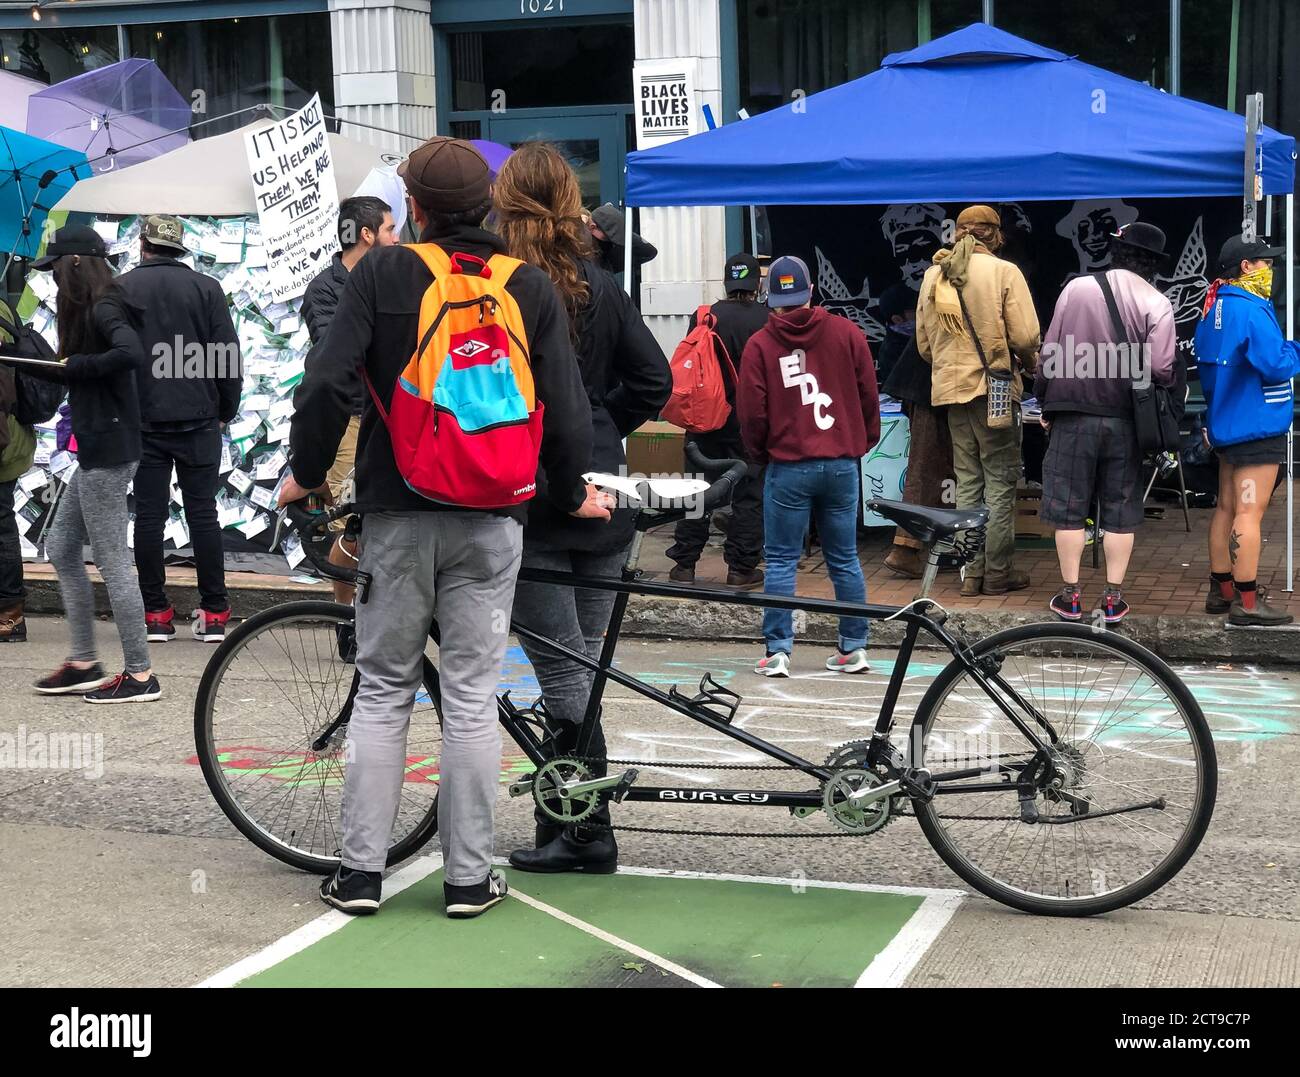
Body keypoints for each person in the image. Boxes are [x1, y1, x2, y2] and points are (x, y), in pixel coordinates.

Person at [281, 136, 600, 919]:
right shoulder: (525, 285)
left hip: (396, 512)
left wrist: (307, 470)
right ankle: (466, 878)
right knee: (470, 693)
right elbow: (565, 410)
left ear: (414, 209)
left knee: (386, 688)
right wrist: (566, 491)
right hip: (495, 517)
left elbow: (326, 381)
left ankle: (360, 876)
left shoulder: (383, 274)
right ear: (487, 206)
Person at [492, 143, 670, 876]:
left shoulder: (505, 287)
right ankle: (567, 816)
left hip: (534, 497)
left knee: (564, 675)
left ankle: (584, 830)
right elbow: (653, 379)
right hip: (603, 490)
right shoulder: (601, 285)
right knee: (582, 671)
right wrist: (602, 419)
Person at [19, 226, 161, 702]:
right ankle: (83, 661)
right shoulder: (96, 306)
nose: (54, 279)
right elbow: (79, 368)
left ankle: (140, 674)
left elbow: (130, 354)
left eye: (56, 269)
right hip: (100, 447)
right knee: (60, 547)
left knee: (113, 561)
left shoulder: (105, 306)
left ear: (75, 263)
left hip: (111, 449)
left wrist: (75, 367)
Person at [738, 254, 880, 677]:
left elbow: (751, 412)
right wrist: (862, 440)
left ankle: (778, 650)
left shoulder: (761, 344)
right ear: (811, 292)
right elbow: (868, 393)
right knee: (844, 558)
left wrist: (762, 453)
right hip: (840, 462)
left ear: (770, 299)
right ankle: (853, 647)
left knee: (781, 560)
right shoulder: (846, 332)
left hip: (789, 464)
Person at [1034, 223, 1177, 623]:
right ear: (1152, 263)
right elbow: (1163, 368)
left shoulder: (1076, 289)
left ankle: (1070, 596)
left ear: (1116, 252)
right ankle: (1113, 598)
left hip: (1073, 415)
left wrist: (1046, 399)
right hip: (1127, 421)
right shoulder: (1157, 302)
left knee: (1068, 507)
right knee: (1120, 508)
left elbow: (1051, 353)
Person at [114, 214, 241, 643]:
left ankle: (155, 614)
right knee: (203, 512)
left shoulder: (124, 288)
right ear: (179, 249)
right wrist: (227, 406)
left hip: (143, 419)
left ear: (144, 246)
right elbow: (226, 353)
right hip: (199, 416)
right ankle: (215, 611)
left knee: (148, 516)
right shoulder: (207, 288)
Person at [916, 204, 1040, 596]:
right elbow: (1025, 338)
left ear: (958, 233)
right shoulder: (1005, 272)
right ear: (996, 235)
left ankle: (971, 573)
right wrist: (1029, 363)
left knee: (967, 480)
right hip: (996, 390)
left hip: (952, 391)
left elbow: (923, 345)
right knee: (1000, 482)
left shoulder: (934, 275)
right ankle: (998, 572)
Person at [1195, 234, 1300, 627]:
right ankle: (1248, 602)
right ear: (1246, 266)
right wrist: (1295, 349)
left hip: (1225, 422)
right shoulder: (1252, 310)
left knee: (1226, 507)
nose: (1270, 269)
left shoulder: (1211, 306)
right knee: (1249, 513)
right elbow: (1276, 365)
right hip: (1257, 424)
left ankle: (1221, 591)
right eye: (1265, 262)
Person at [300, 196, 399, 609]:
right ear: (366, 234)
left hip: (393, 416)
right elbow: (334, 355)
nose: (397, 238)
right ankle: (346, 618)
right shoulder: (325, 288)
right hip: (352, 418)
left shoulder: (396, 276)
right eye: (391, 229)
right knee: (351, 526)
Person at [666, 252, 770, 587]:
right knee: (749, 494)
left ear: (727, 282)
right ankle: (741, 568)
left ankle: (684, 564)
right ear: (757, 283)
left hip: (704, 418)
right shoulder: (768, 320)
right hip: (748, 422)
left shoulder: (704, 316)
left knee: (697, 490)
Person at [880, 334, 954, 580]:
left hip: (928, 382)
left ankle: (940, 546)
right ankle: (905, 548)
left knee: (937, 468)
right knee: (924, 468)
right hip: (931, 385)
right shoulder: (953, 296)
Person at [588, 202, 657, 276]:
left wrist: (623, 232)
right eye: (607, 237)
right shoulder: (582, 257)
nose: (609, 241)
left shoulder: (605, 254)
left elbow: (648, 252)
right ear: (592, 227)